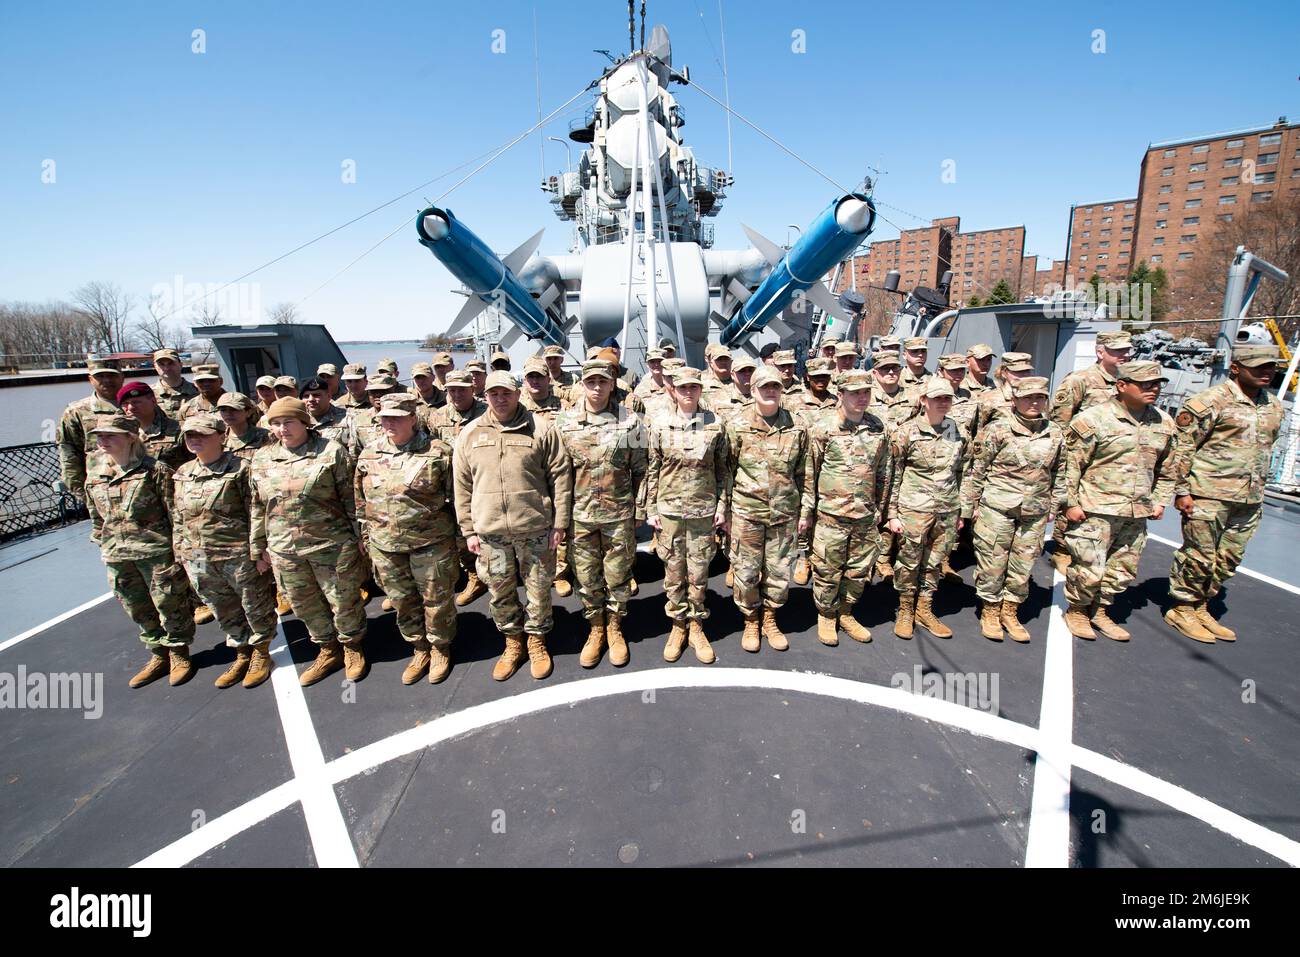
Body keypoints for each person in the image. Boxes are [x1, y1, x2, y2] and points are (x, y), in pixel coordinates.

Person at [453, 371, 572, 681]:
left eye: (506, 393)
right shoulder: (470, 434)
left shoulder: (542, 429)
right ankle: (512, 642)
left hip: (534, 527)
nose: (500, 399)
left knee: (538, 590)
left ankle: (536, 641)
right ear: (486, 396)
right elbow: (461, 485)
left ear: (518, 394)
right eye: (494, 393)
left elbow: (560, 477)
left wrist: (559, 523)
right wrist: (468, 529)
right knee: (500, 592)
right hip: (490, 532)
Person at [1164, 344, 1284, 643]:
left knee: (1228, 558)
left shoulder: (1272, 404)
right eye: (1258, 367)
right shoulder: (1209, 402)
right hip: (1208, 494)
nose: (1266, 372)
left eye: (1270, 367)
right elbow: (1183, 448)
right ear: (1236, 368)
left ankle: (1202, 605)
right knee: (1199, 556)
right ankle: (1182, 608)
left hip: (1249, 498)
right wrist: (1181, 491)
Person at [250, 397, 369, 685]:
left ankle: (352, 646)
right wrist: (257, 546)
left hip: (330, 544)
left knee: (343, 600)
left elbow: (351, 499)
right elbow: (257, 505)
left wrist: (360, 538)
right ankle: (328, 648)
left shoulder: (331, 452)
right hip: (285, 549)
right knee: (304, 603)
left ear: (304, 422)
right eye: (276, 424)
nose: (282, 429)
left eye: (288, 422)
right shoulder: (262, 458)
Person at [1060, 360, 1177, 641]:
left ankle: (1101, 609)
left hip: (1136, 511)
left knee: (1121, 568)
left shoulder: (1163, 422)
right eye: (1145, 384)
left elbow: (1169, 467)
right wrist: (1070, 503)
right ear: (1122, 385)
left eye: (1157, 384)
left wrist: (1160, 500)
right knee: (1088, 566)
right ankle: (1077, 610)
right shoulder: (1093, 419)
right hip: (1096, 507)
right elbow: (1070, 466)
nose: (1154, 389)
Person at [84, 414, 195, 687]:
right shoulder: (97, 473)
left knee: (169, 603)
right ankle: (158, 653)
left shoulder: (155, 471)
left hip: (155, 552)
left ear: (130, 437)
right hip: (117, 554)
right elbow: (96, 515)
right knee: (136, 606)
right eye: (100, 435)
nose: (103, 440)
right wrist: (102, 541)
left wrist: (180, 552)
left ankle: (179, 652)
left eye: (110, 435)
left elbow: (176, 514)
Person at [355, 394, 459, 683]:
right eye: (385, 417)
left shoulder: (438, 452)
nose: (390, 423)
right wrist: (366, 534)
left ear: (413, 418)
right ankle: (419, 646)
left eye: (397, 417)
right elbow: (360, 500)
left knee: (436, 599)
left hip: (431, 544)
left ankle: (440, 647)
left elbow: (457, 498)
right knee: (402, 601)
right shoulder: (370, 453)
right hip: (386, 546)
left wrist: (460, 540)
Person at [172, 413, 278, 688]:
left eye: (202, 434)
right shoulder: (183, 473)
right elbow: (178, 516)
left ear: (220, 436)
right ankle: (242, 651)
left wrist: (259, 551)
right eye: (190, 435)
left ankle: (262, 653)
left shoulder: (242, 469)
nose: (194, 440)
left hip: (237, 554)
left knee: (255, 606)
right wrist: (181, 552)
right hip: (199, 557)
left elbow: (257, 511)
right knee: (222, 608)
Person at [557, 359, 647, 667]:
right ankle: (596, 628)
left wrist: (640, 509)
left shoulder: (631, 421)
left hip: (618, 514)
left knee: (619, 575)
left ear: (612, 384)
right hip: (579, 516)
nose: (597, 388)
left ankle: (615, 626)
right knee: (586, 576)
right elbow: (558, 473)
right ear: (582, 384)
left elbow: (642, 470)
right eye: (591, 382)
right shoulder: (565, 422)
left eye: (603, 382)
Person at [961, 376, 1065, 642]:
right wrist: (969, 506)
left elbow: (1061, 472)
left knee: (1024, 563)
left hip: (1035, 509)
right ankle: (991, 610)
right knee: (993, 561)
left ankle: (1011, 610)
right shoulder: (997, 430)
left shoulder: (1054, 432)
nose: (1034, 402)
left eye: (1039, 398)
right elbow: (977, 469)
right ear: (1015, 400)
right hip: (997, 506)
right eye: (1028, 397)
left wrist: (1055, 504)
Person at [644, 366, 729, 663]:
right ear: (674, 391)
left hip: (703, 511)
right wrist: (650, 508)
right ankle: (678, 625)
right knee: (673, 570)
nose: (688, 392)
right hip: (669, 512)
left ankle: (696, 625)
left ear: (700, 389)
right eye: (683, 388)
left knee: (699, 571)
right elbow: (652, 468)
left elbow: (723, 470)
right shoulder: (659, 424)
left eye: (694, 387)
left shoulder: (715, 424)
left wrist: (722, 507)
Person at [802, 370, 891, 645]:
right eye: (855, 393)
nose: (862, 398)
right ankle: (827, 615)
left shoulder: (878, 427)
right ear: (840, 395)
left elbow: (884, 473)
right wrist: (808, 513)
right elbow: (809, 473)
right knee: (828, 569)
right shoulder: (823, 428)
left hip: (864, 515)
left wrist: (880, 510)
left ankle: (846, 611)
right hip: (831, 516)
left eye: (866, 392)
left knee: (858, 570)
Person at [724, 367, 807, 652]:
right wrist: (726, 512)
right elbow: (726, 471)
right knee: (746, 573)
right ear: (753, 390)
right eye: (764, 387)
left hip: (785, 514)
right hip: (747, 513)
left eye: (775, 386)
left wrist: (804, 513)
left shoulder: (797, 427)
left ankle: (770, 618)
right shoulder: (736, 425)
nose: (770, 391)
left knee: (780, 572)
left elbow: (803, 473)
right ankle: (750, 619)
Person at [887, 378, 971, 639]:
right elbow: (893, 473)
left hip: (946, 508)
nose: (943, 402)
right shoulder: (906, 432)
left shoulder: (958, 432)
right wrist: (891, 513)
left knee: (934, 562)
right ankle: (904, 610)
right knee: (908, 561)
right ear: (924, 400)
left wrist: (961, 511)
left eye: (947, 398)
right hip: (913, 508)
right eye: (937, 398)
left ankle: (924, 608)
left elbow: (964, 473)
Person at [1047, 331, 1134, 571]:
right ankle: (1063, 549)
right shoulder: (1080, 380)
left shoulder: (1129, 382)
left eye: (1126, 350)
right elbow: (1060, 421)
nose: (1124, 355)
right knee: (1073, 499)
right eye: (1117, 351)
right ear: (1100, 352)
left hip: (1114, 457)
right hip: (1081, 454)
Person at [426, 370, 488, 605]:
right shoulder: (436, 417)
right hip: (451, 489)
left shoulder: (487, 413)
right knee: (462, 538)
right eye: (452, 390)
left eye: (462, 388)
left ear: (472, 388)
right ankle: (475, 577)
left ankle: (498, 577)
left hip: (483, 486)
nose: (457, 394)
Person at [57, 358, 122, 502]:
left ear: (122, 376)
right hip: (101, 489)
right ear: (91, 379)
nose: (107, 380)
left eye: (112, 375)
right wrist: (82, 493)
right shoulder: (77, 411)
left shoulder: (138, 404)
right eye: (100, 376)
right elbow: (68, 453)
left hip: (141, 487)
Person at [119, 380, 190, 471]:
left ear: (153, 401)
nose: (130, 408)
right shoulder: (120, 434)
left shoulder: (179, 430)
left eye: (136, 402)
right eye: (125, 403)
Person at [974, 352, 1034, 436]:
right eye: (1017, 371)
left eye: (1026, 371)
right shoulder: (988, 399)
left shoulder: (1037, 398)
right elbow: (977, 431)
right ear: (1004, 372)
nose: (1023, 375)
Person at [301, 376, 360, 457]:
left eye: (316, 395)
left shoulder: (348, 418)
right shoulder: (298, 421)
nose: (311, 399)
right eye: (306, 396)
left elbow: (355, 454)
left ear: (329, 396)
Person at [218, 392, 274, 462]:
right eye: (223, 410)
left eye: (234, 409)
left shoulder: (266, 436)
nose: (228, 413)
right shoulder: (216, 439)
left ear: (248, 412)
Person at [353, 374, 400, 447]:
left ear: (393, 391)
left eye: (383, 391)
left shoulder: (407, 417)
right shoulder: (359, 420)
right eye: (373, 391)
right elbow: (355, 453)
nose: (378, 395)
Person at [151, 349, 198, 418]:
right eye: (161, 364)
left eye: (171, 363)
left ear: (181, 365)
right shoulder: (148, 394)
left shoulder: (197, 391)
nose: (166, 368)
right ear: (155, 367)